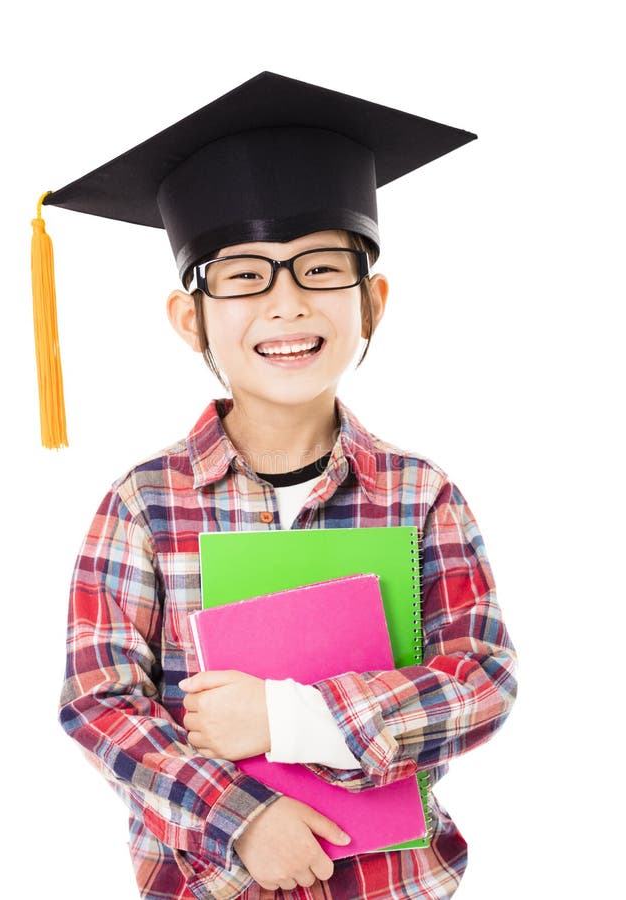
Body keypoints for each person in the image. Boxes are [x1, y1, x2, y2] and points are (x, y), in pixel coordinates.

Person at [53, 72, 517, 899]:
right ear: (189, 318)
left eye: (320, 269)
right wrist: (241, 819)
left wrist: (291, 718)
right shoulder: (144, 504)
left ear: (372, 302)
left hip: (393, 883)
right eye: (243, 276)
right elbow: (101, 703)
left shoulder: (420, 495)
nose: (287, 303)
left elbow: (480, 678)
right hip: (210, 882)